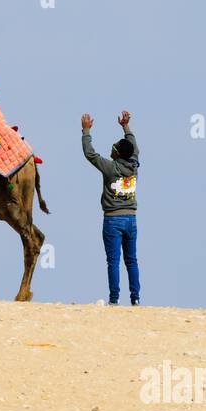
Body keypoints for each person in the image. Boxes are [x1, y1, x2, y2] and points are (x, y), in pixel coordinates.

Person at [81, 110, 140, 305]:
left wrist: (86, 131)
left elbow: (90, 154)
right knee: (131, 261)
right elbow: (134, 147)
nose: (112, 149)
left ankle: (114, 299)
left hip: (112, 219)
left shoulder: (110, 167)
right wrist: (126, 127)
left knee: (113, 261)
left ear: (117, 153)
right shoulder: (134, 165)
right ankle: (135, 299)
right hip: (131, 219)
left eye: (114, 148)